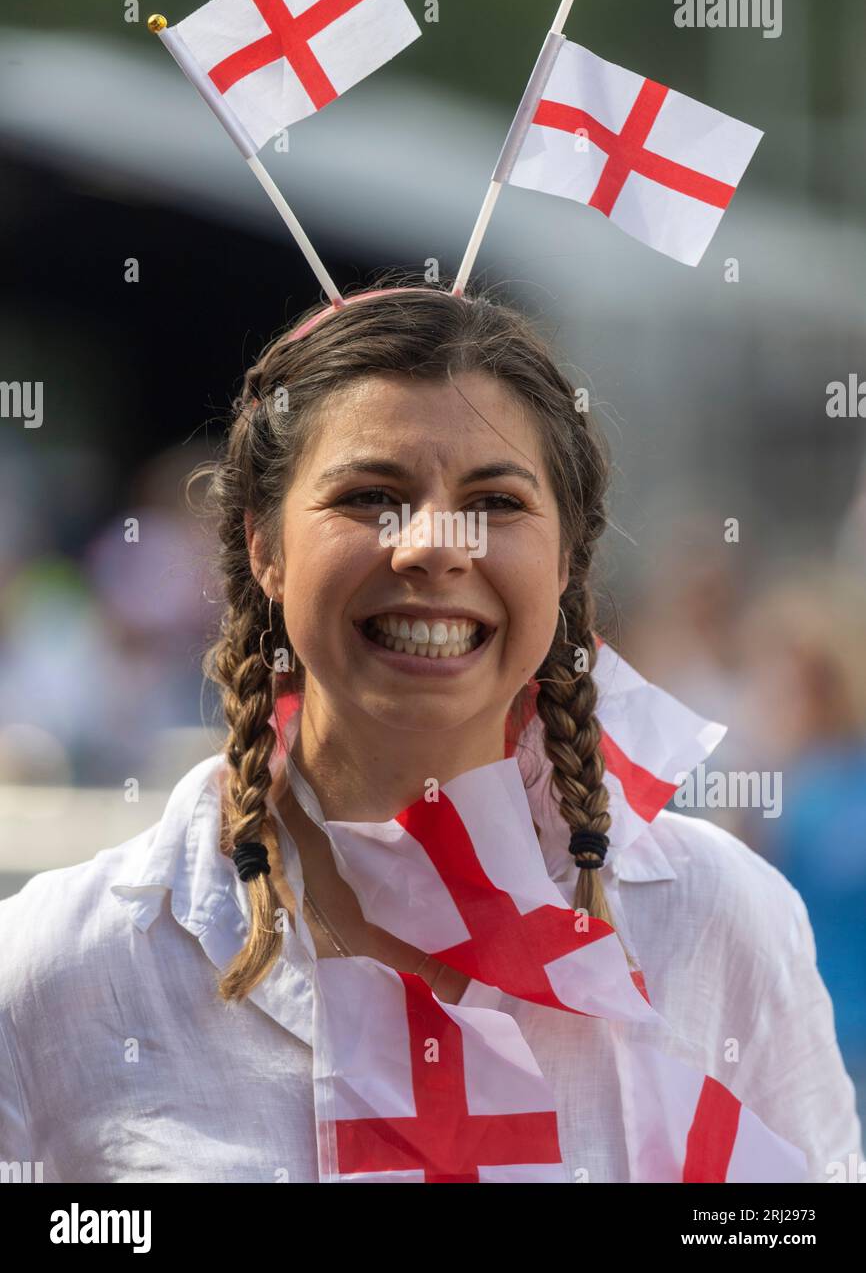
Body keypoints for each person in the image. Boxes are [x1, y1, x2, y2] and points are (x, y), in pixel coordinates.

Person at [0, 280, 861, 1183]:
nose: (436, 546)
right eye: (373, 494)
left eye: (495, 502)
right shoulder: (62, 968)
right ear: (265, 548)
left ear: (565, 560)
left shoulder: (720, 919)